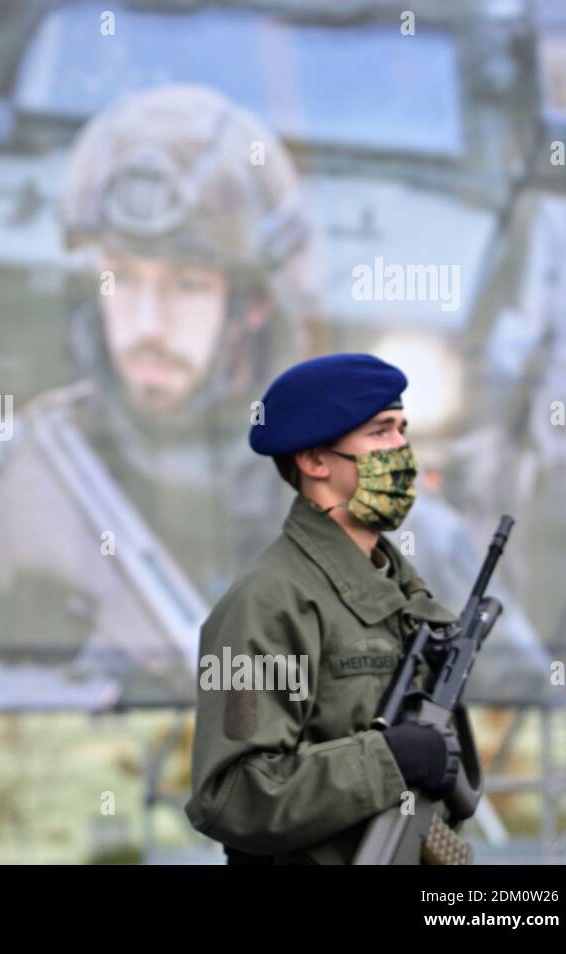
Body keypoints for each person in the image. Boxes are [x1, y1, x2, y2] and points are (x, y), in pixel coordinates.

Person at [0, 85, 315, 713]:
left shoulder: (335, 496)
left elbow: (482, 688)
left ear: (253, 306)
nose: (147, 323)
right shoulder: (3, 476)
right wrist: (83, 708)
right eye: (123, 278)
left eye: (186, 286)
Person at [185, 353, 465, 864]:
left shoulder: (406, 597)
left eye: (402, 430)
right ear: (315, 461)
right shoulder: (269, 602)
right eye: (380, 433)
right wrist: (388, 761)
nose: (402, 451)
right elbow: (233, 794)